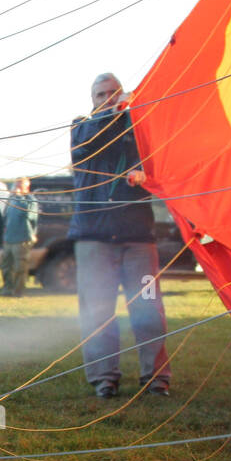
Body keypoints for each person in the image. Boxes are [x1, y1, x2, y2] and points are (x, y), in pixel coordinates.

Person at [68, 73, 171, 398]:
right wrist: (115, 113)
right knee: (97, 310)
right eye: (101, 95)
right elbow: (91, 141)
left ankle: (156, 379)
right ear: (93, 100)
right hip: (94, 239)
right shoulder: (81, 127)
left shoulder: (139, 128)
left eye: (113, 93)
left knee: (149, 308)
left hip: (138, 238)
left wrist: (146, 173)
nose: (108, 99)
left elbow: (159, 160)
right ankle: (104, 378)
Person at [0, 177, 38, 296]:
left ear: (26, 187)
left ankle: (18, 291)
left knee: (20, 267)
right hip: (9, 238)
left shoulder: (30, 200)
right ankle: (7, 289)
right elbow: (5, 216)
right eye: (15, 185)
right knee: (6, 266)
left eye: (19, 185)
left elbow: (28, 214)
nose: (16, 188)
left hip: (22, 238)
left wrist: (19, 197)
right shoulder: (11, 200)